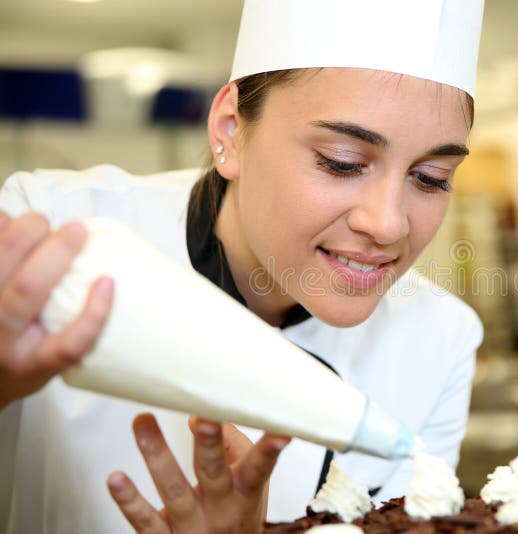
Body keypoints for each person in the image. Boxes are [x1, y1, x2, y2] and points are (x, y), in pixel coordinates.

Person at [0, 0, 485, 532]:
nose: (389, 224)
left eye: (432, 177)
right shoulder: (50, 228)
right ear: (230, 128)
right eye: (342, 163)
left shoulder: (439, 339)